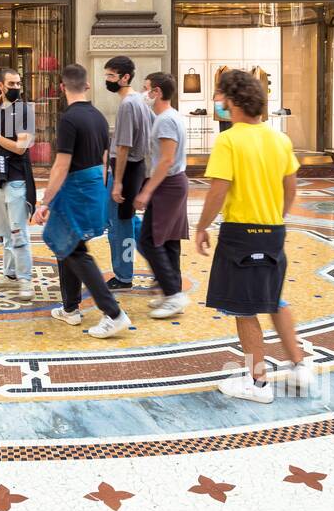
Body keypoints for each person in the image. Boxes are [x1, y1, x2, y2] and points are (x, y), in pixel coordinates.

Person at [194, 69, 316, 405]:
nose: (218, 102)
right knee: (274, 297)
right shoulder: (279, 139)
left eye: (220, 97)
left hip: (240, 234)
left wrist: (201, 226)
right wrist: (276, 216)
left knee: (245, 309)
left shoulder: (229, 140)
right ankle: (299, 366)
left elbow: (219, 190)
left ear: (232, 101)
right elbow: (290, 187)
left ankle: (257, 382)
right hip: (273, 232)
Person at [32, 64, 132, 339]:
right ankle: (71, 308)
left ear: (62, 87)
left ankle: (114, 313)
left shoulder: (68, 120)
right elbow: (103, 162)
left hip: (75, 188)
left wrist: (45, 201)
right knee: (67, 245)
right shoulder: (99, 117)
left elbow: (61, 166)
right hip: (93, 187)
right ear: (87, 86)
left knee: (75, 251)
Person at [133, 73, 189, 319]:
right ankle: (172, 292)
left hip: (167, 185)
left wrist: (146, 191)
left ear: (156, 92)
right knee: (169, 240)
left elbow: (166, 159)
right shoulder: (169, 116)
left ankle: (174, 295)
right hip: (173, 184)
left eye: (145, 89)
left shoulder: (165, 120)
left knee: (149, 240)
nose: (143, 93)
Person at [0, 67, 36, 301]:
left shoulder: (25, 111)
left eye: (18, 84)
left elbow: (22, 147)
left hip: (17, 179)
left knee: (18, 232)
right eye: (11, 84)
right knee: (4, 233)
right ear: (1, 86)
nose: (16, 88)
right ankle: (10, 276)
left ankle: (26, 281)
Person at [104, 55, 152, 290]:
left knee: (119, 225)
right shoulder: (139, 101)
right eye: (107, 75)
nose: (108, 80)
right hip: (137, 169)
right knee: (129, 221)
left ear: (125, 77)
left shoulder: (128, 104)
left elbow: (123, 146)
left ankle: (123, 276)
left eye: (111, 76)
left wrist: (118, 182)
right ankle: (156, 258)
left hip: (127, 170)